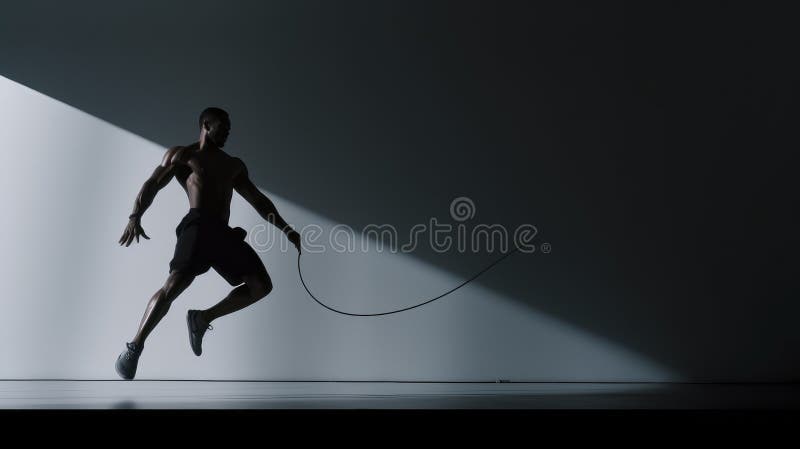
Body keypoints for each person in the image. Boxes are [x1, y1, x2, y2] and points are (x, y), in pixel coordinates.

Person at [115, 107, 301, 380]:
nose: (228, 132)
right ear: (206, 125)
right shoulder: (184, 156)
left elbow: (258, 200)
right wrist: (135, 216)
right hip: (198, 227)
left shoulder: (233, 165)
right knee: (174, 285)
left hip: (222, 232)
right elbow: (153, 183)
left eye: (229, 128)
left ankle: (202, 319)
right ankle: (135, 346)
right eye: (223, 126)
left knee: (261, 285)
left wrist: (286, 229)